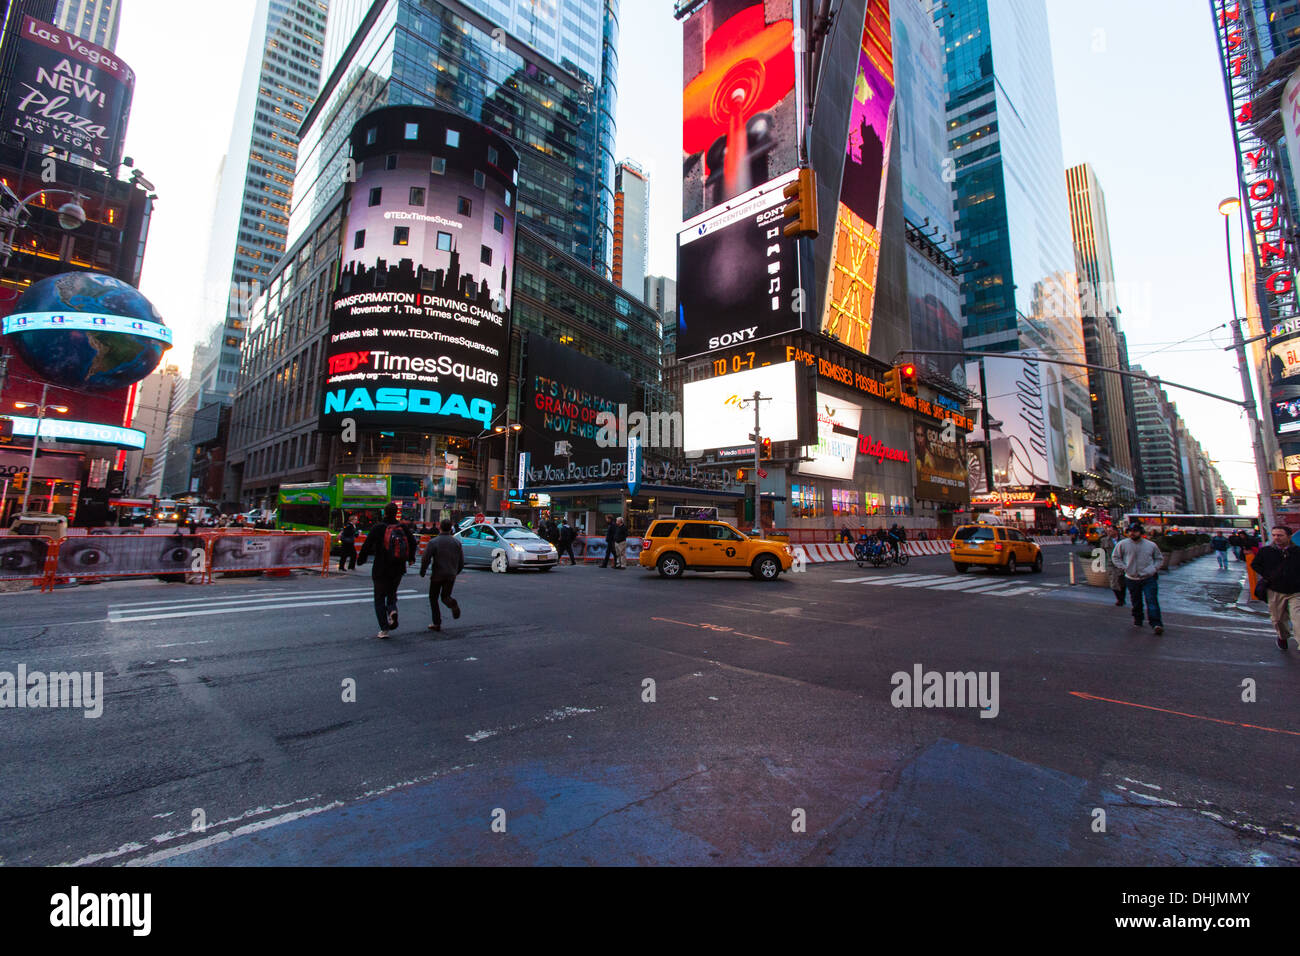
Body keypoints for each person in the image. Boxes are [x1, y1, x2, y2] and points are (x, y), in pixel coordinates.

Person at [357, 502, 417, 639]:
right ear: (397, 513)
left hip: (381, 567)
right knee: (392, 594)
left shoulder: (378, 527)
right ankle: (392, 610)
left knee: (379, 598)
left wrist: (360, 560)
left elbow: (367, 545)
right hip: (398, 567)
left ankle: (384, 629)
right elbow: (413, 542)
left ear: (385, 512)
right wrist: (411, 557)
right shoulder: (402, 527)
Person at [1247, 525, 1300, 651]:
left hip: (1296, 591)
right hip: (1275, 590)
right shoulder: (1266, 551)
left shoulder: (1297, 551)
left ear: (1288, 536)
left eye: (1280, 535)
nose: (1276, 538)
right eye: (1274, 535)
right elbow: (1255, 564)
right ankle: (1282, 636)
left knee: (1298, 618)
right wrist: (1267, 575)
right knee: (1278, 620)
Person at [1112, 523, 1164, 635]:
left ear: (1140, 532)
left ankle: (1156, 624)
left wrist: (1153, 569)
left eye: (1135, 531)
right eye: (1130, 531)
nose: (1132, 533)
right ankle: (1138, 619)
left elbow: (1159, 559)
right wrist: (1124, 567)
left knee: (1152, 601)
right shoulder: (1123, 544)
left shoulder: (1151, 545)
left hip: (1148, 577)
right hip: (1131, 578)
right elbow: (1115, 557)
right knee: (1136, 601)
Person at [419, 518, 464, 632]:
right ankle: (451, 603)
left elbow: (426, 558)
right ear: (450, 529)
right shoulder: (457, 543)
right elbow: (461, 561)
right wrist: (456, 571)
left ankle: (436, 623)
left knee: (433, 598)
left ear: (440, 527)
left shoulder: (434, 542)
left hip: (437, 575)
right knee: (445, 596)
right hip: (451, 575)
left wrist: (423, 571)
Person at [1100, 527, 1126, 606]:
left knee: (1122, 582)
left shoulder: (1124, 540)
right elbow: (1102, 551)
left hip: (1123, 563)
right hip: (1111, 564)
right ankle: (1119, 599)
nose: (1109, 532)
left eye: (1110, 531)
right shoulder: (1104, 540)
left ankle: (1122, 598)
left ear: (1116, 531)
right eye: (1108, 531)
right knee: (1113, 582)